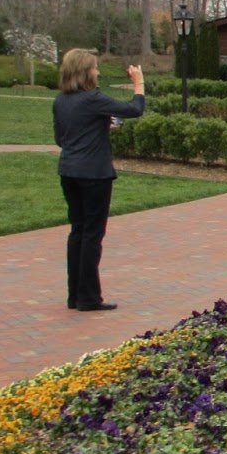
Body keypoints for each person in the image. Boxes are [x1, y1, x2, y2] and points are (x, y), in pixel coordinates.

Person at [52, 50, 145, 312]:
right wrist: (138, 83)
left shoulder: (60, 100)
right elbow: (134, 109)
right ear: (85, 72)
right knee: (92, 233)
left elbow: (61, 138)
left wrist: (98, 129)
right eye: (94, 68)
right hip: (94, 174)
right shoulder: (93, 98)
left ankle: (75, 295)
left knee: (78, 231)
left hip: (69, 171)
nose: (98, 72)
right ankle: (89, 298)